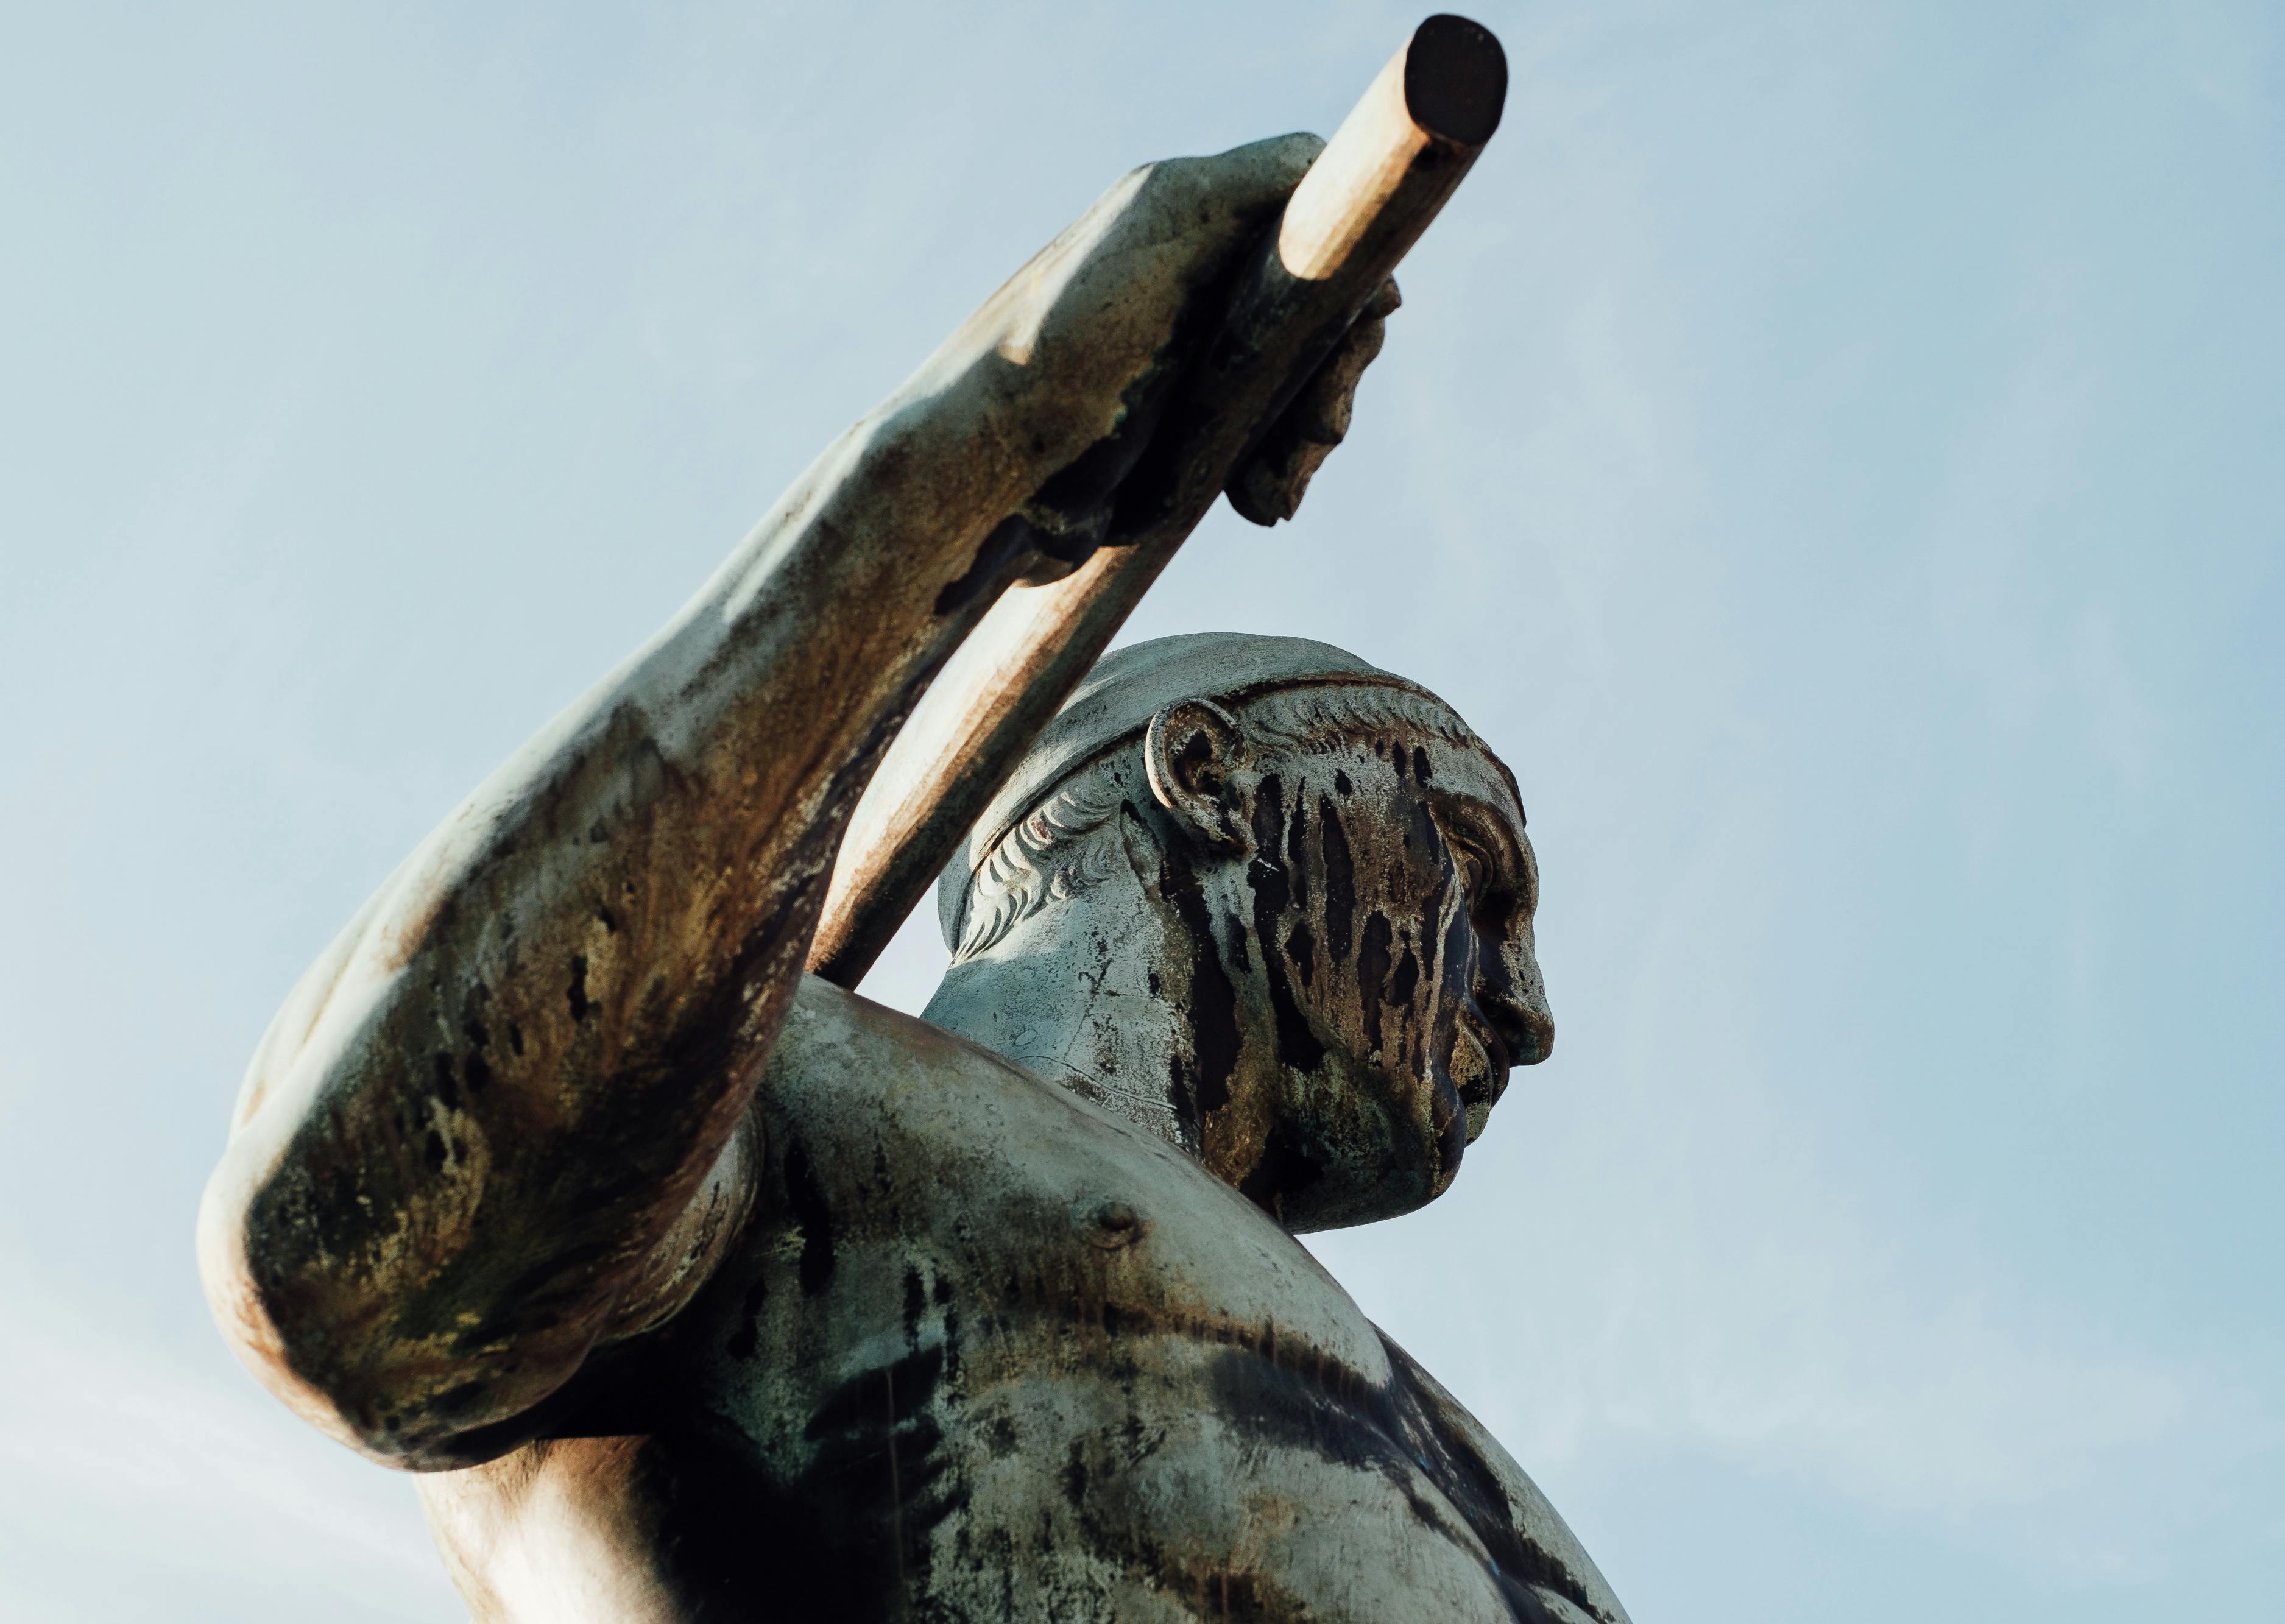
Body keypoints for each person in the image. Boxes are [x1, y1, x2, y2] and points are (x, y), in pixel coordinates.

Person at [200, 133, 1626, 1624]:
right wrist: (982, 441)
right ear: (1205, 781)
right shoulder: (741, 1101)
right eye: (1475, 877)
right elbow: (344, 1261)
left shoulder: (1464, 1456)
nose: (1523, 1008)